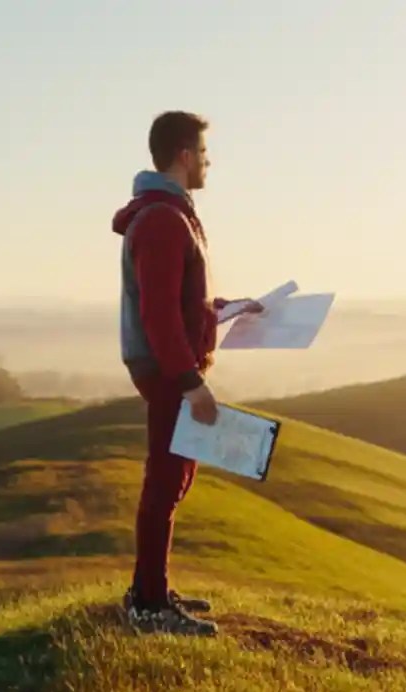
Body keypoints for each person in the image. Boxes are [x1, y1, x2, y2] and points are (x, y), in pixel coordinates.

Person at [111, 111, 260, 636]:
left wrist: (233, 307)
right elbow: (158, 314)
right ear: (183, 155)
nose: (209, 161)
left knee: (174, 480)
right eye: (203, 151)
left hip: (170, 368)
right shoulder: (162, 221)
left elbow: (182, 303)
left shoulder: (170, 215)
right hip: (168, 371)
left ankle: (150, 589)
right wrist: (190, 382)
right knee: (165, 483)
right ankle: (149, 607)